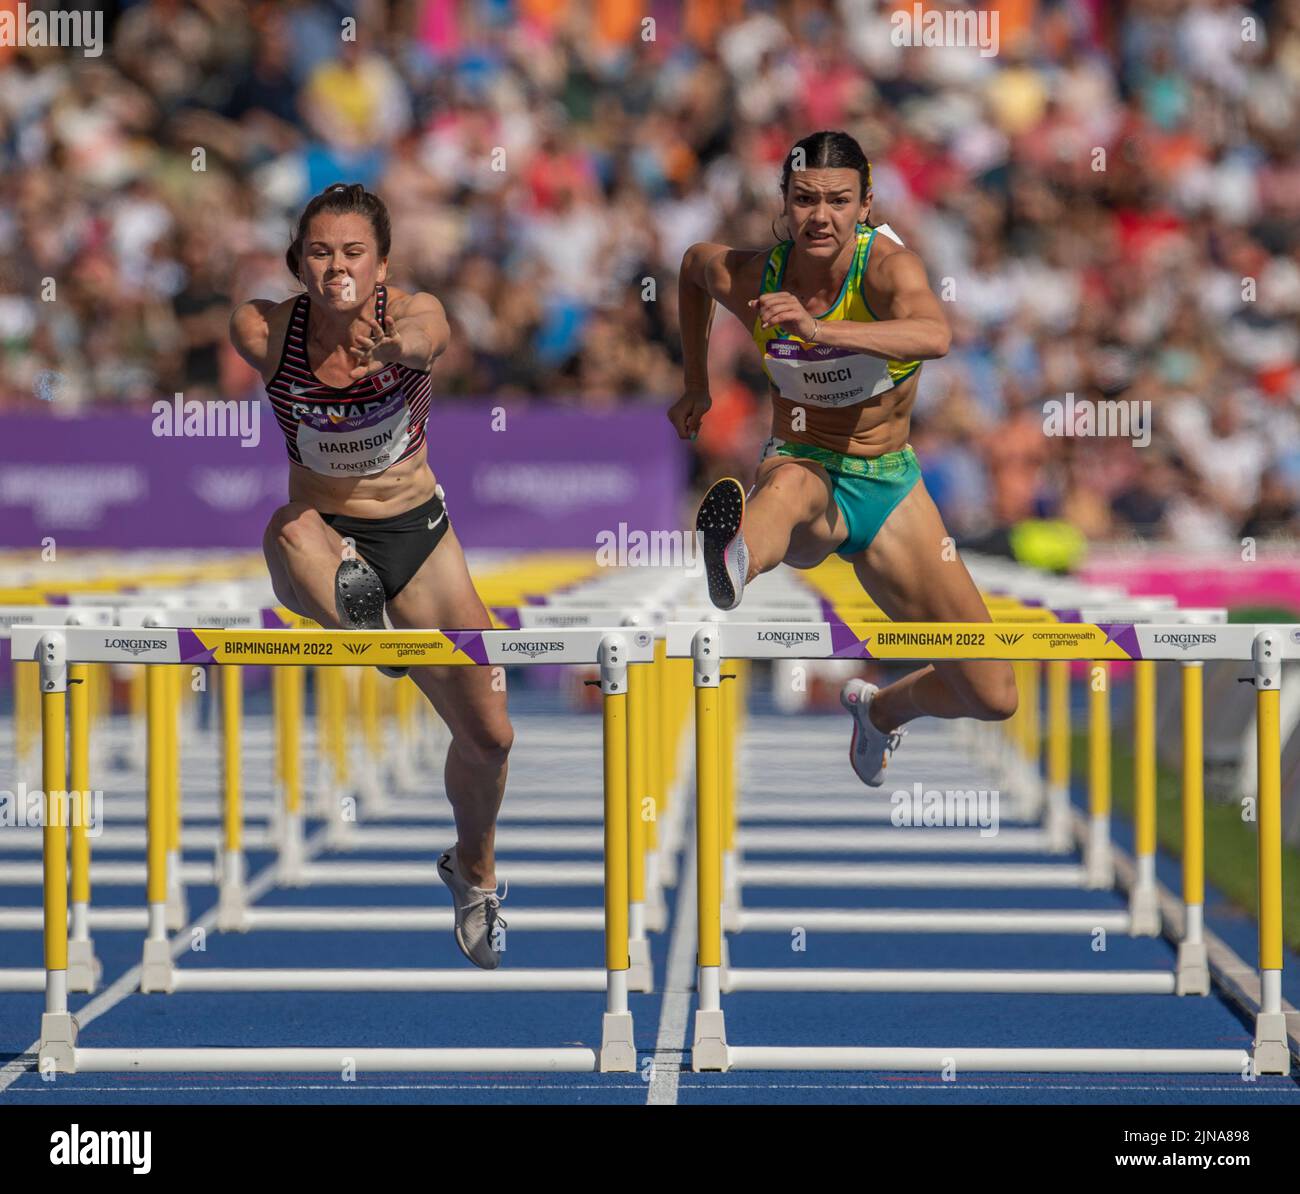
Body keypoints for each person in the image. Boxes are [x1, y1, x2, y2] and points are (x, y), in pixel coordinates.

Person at [669, 131, 1018, 786]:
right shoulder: (755, 277)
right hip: (803, 461)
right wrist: (695, 382)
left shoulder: (887, 268)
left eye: (837, 200)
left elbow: (935, 335)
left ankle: (881, 710)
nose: (820, 216)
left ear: (865, 205)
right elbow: (692, 268)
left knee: (993, 692)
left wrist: (820, 329)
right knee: (795, 492)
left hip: (889, 485)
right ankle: (736, 557)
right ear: (786, 201)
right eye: (804, 200)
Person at [229, 182, 511, 967]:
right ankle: (368, 627)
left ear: (381, 263)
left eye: (353, 253)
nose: (337, 268)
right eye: (319, 253)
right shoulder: (266, 330)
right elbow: (240, 316)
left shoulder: (414, 312)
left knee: (490, 736)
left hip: (416, 535)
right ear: (297, 262)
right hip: (320, 539)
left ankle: (474, 869)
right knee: (287, 528)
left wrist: (394, 351)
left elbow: (432, 336)